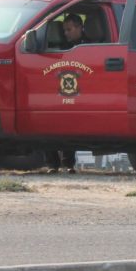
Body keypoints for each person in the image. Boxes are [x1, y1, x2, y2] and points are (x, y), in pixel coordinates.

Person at [47, 13, 88, 173]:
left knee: (70, 129)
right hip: (61, 90)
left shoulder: (90, 45)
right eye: (64, 30)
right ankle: (52, 165)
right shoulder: (60, 45)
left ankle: (68, 164)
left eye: (69, 29)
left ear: (80, 27)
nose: (66, 33)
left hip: (79, 92)